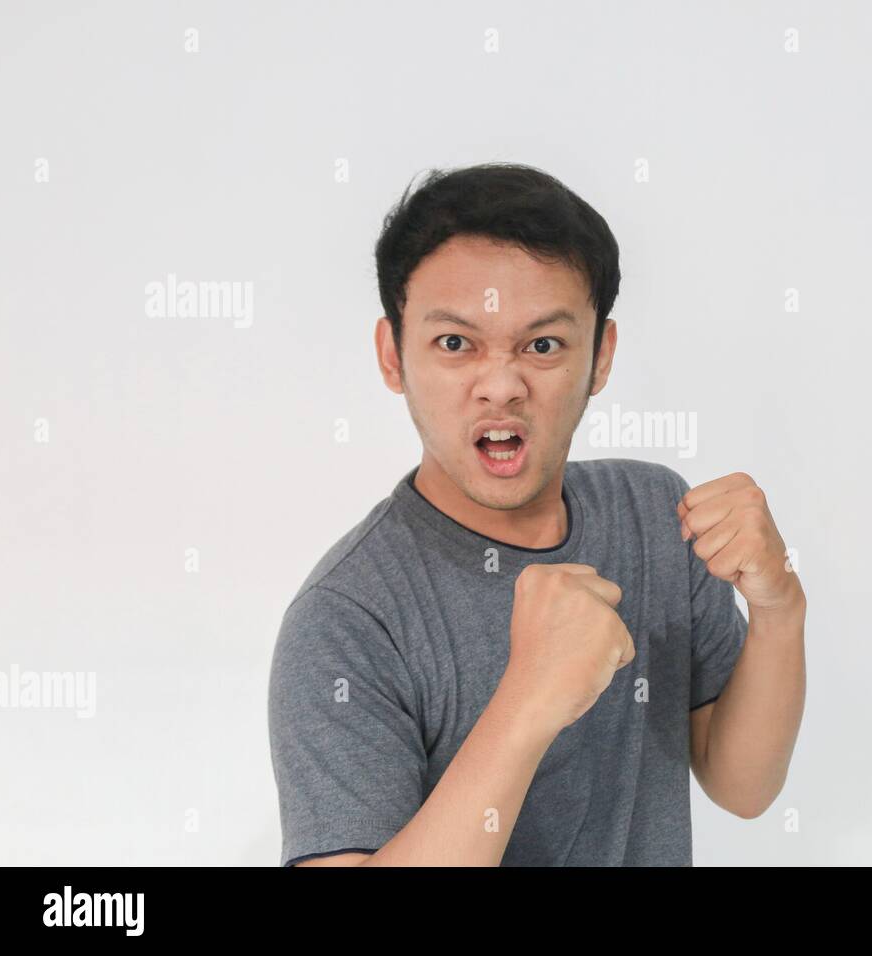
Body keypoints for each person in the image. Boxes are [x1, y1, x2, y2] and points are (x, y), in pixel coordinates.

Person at [267, 162, 807, 866]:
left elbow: (744, 786)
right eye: (456, 343)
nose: (501, 385)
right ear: (392, 355)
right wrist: (529, 698)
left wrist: (780, 608)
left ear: (601, 357)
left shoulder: (655, 517)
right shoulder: (345, 620)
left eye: (543, 345)